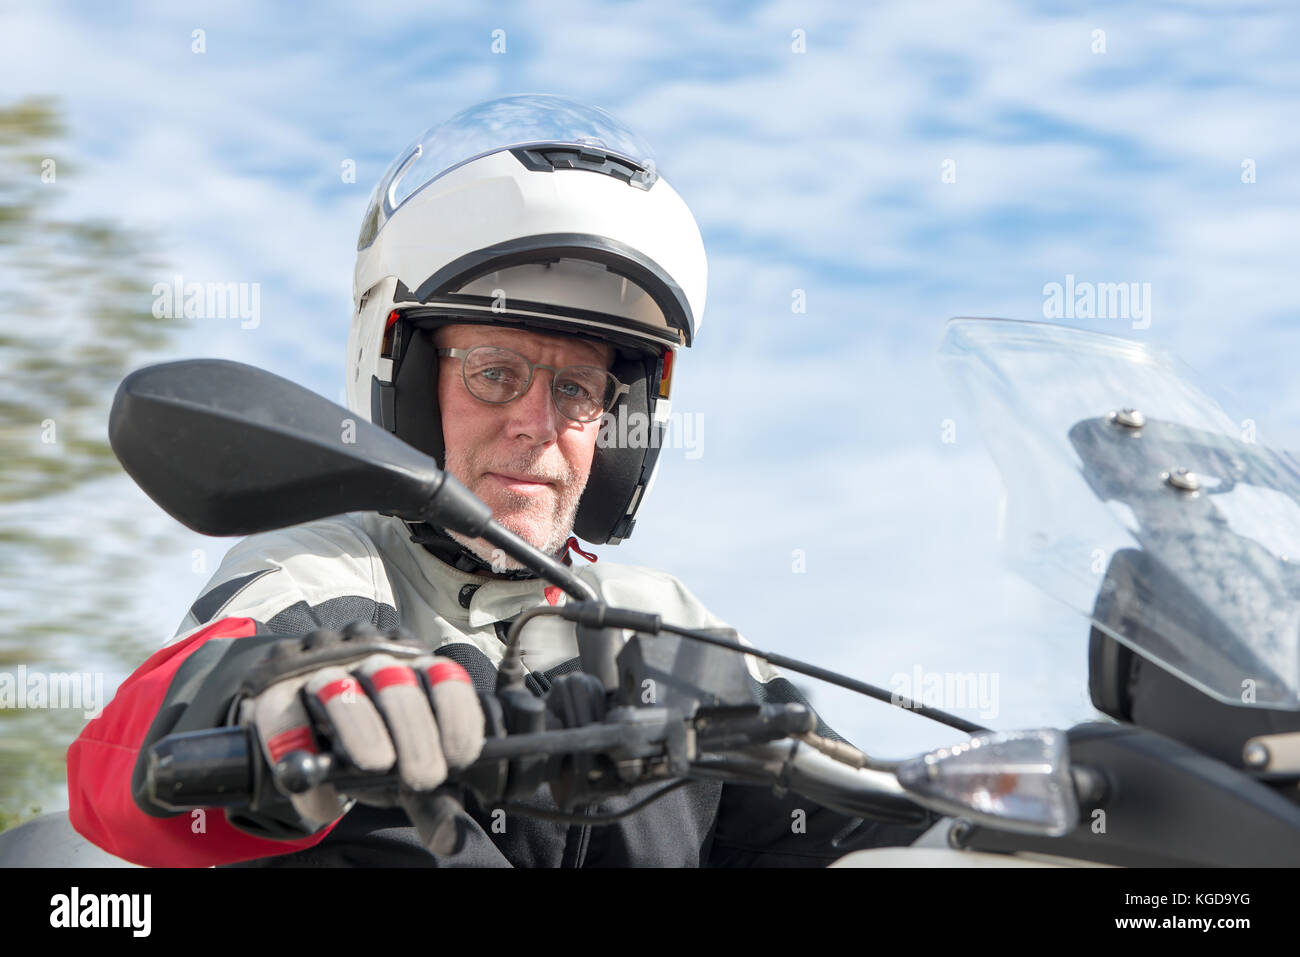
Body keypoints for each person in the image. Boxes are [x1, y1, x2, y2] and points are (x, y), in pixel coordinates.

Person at [67, 95, 930, 866]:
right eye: (494, 372)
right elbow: (124, 769)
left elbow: (846, 816)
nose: (537, 424)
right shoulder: (328, 578)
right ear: (401, 386)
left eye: (577, 390)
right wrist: (279, 705)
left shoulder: (668, 629)